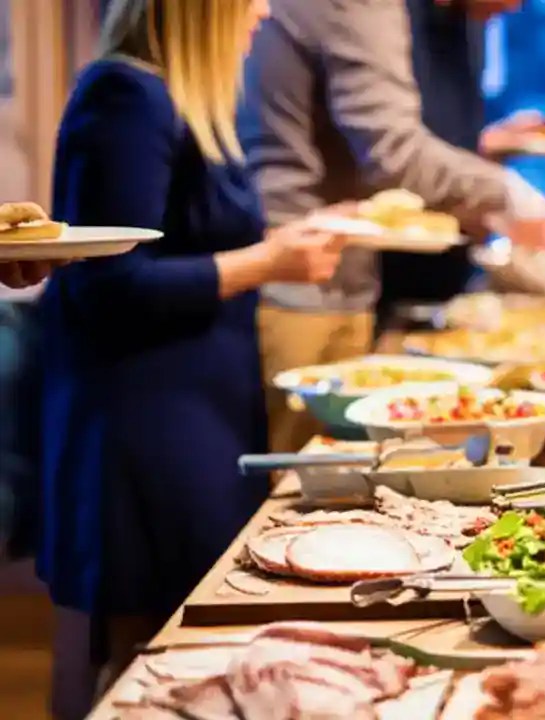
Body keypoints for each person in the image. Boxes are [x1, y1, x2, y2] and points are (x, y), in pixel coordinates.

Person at [37, 0, 344, 712]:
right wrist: (269, 263)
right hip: (143, 430)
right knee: (152, 671)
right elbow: (104, 286)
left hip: (195, 414)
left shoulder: (181, 100)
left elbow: (193, 242)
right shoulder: (125, 95)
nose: (264, 11)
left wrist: (292, 242)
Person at [240, 0, 545, 453]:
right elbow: (393, 153)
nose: (518, 6)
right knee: (301, 498)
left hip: (310, 274)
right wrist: (510, 193)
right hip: (303, 282)